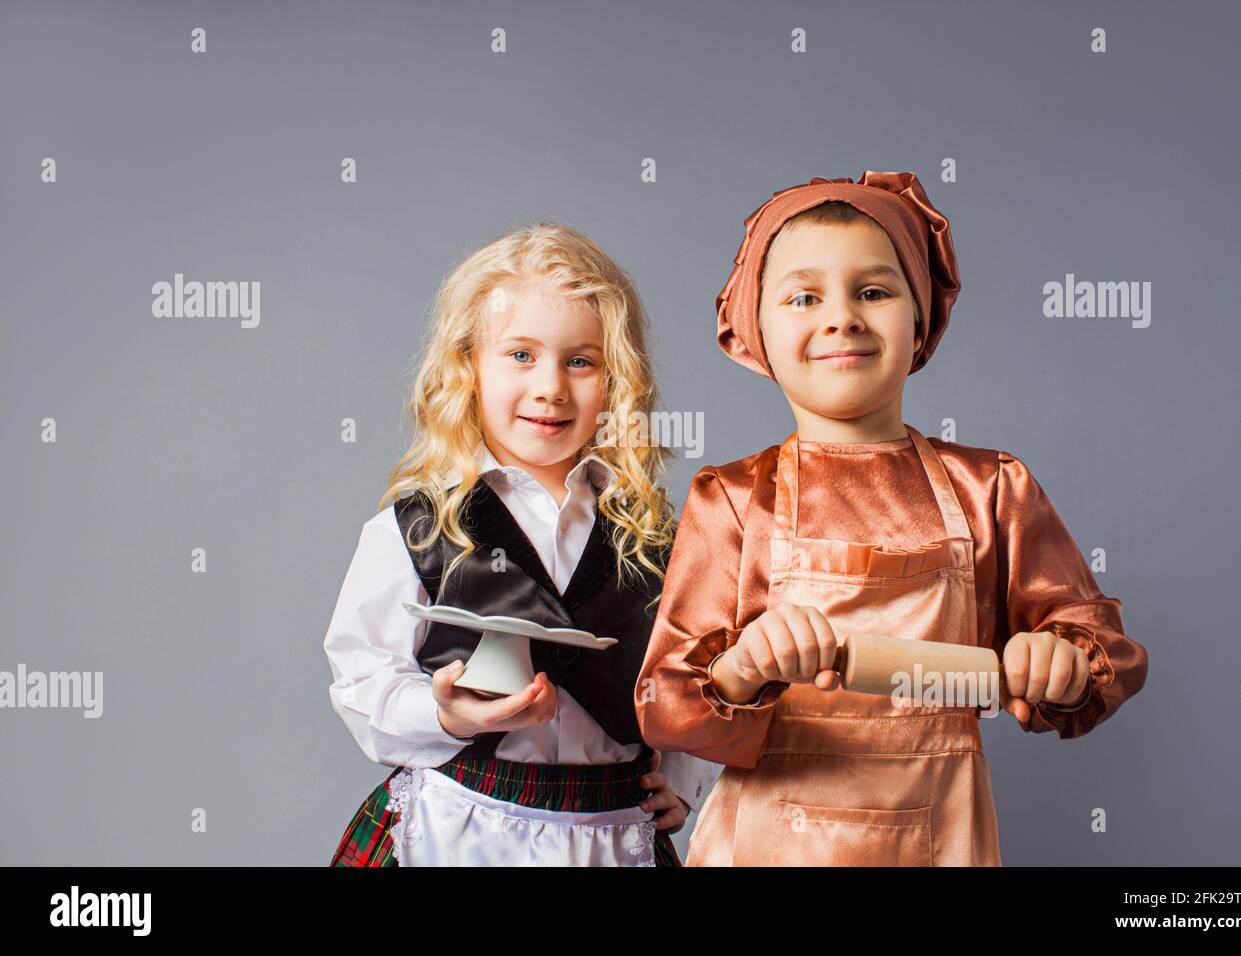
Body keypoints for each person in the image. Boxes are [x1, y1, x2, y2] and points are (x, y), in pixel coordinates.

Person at [635, 170, 1150, 866]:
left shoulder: (990, 489)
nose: (842, 317)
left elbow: (1103, 648)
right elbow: (665, 701)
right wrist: (743, 667)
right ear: (757, 329)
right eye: (804, 297)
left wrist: (1062, 661)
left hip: (943, 838)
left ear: (920, 318)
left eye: (874, 292)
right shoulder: (733, 499)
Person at [325, 222, 717, 866]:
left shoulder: (655, 540)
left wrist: (682, 779)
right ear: (468, 367)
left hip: (611, 832)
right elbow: (362, 678)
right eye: (520, 356)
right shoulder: (415, 528)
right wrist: (445, 715)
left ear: (618, 380)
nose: (551, 387)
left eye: (581, 361)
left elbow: (688, 677)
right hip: (459, 826)